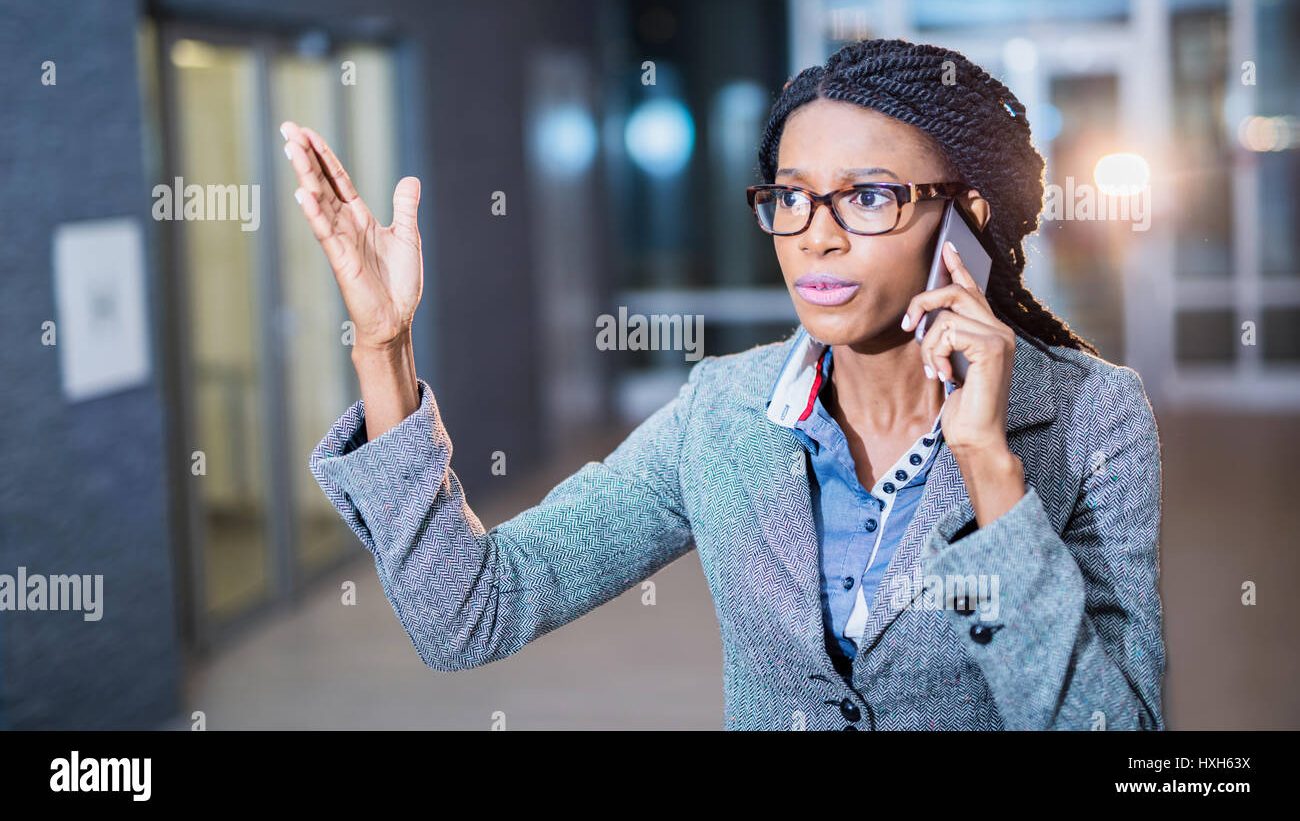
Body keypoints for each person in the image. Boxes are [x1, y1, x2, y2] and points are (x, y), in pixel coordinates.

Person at [279, 37, 1165, 731]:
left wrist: (988, 467)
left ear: (966, 221)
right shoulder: (724, 413)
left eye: (867, 196)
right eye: (789, 196)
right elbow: (471, 612)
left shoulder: (1092, 419)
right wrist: (383, 342)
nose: (813, 236)